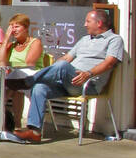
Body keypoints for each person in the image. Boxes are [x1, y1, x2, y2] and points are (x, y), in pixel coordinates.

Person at [14, 7, 124, 143]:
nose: (85, 24)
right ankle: (34, 131)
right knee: (40, 87)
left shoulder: (114, 40)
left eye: (88, 21)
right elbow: (67, 58)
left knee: (62, 67)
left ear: (99, 23)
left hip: (88, 84)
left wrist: (88, 74)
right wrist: (53, 69)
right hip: (67, 82)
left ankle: (28, 81)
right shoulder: (84, 39)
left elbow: (109, 63)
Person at [0, 13, 44, 129]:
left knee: (16, 76)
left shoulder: (35, 43)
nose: (14, 30)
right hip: (17, 82)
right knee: (17, 86)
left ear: (26, 27)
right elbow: (0, 61)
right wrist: (6, 39)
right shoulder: (12, 45)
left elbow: (29, 62)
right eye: (11, 27)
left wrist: (13, 68)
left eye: (17, 26)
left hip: (34, 77)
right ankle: (17, 125)